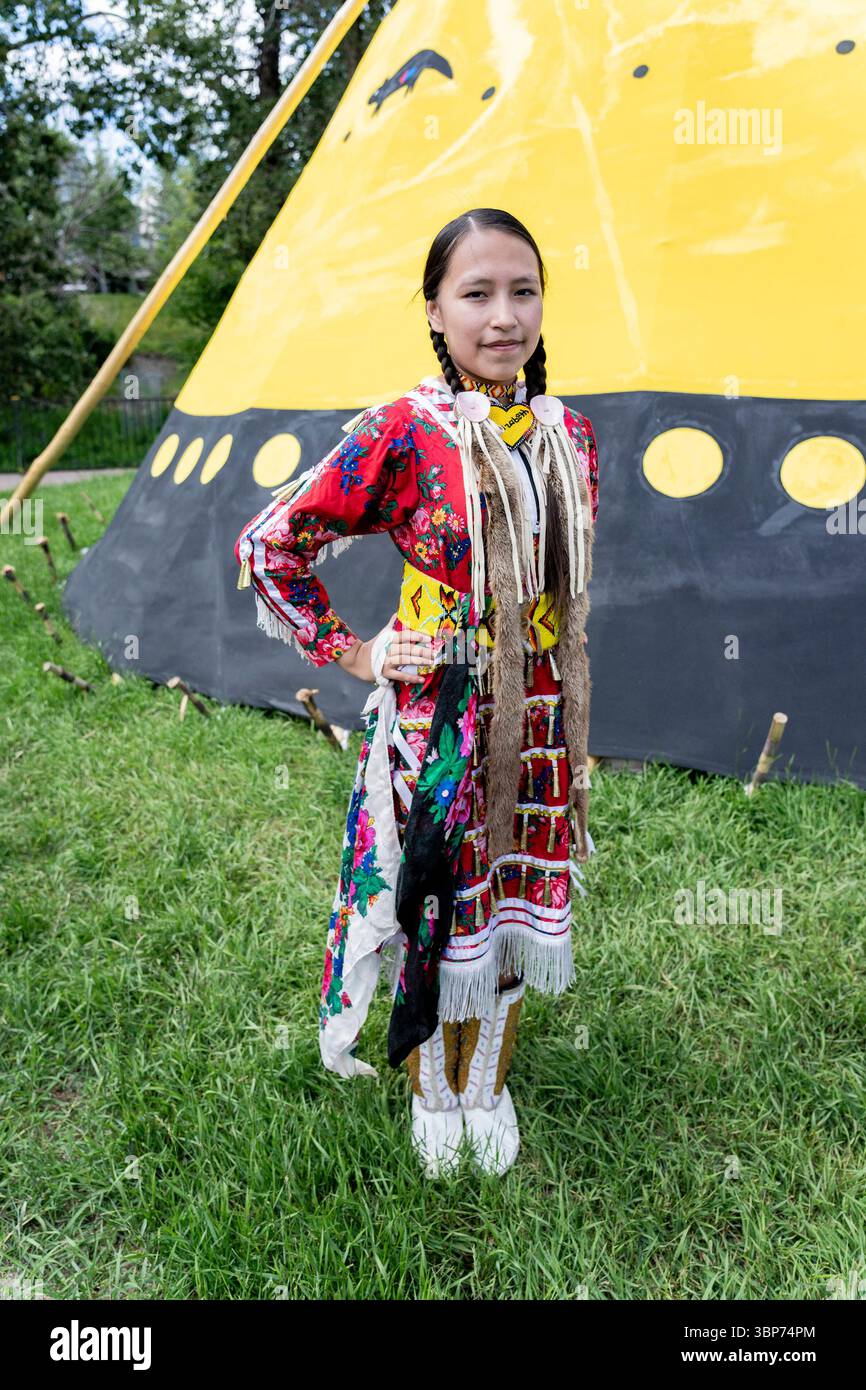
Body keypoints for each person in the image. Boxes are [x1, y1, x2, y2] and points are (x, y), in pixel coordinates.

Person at [234, 207, 599, 1179]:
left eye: (522, 290)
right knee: (436, 902)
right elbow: (273, 542)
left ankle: (488, 1084)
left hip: (540, 727)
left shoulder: (571, 435)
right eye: (474, 294)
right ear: (434, 311)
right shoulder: (402, 430)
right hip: (437, 726)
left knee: (515, 909)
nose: (502, 316)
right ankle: (434, 1091)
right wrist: (352, 652)